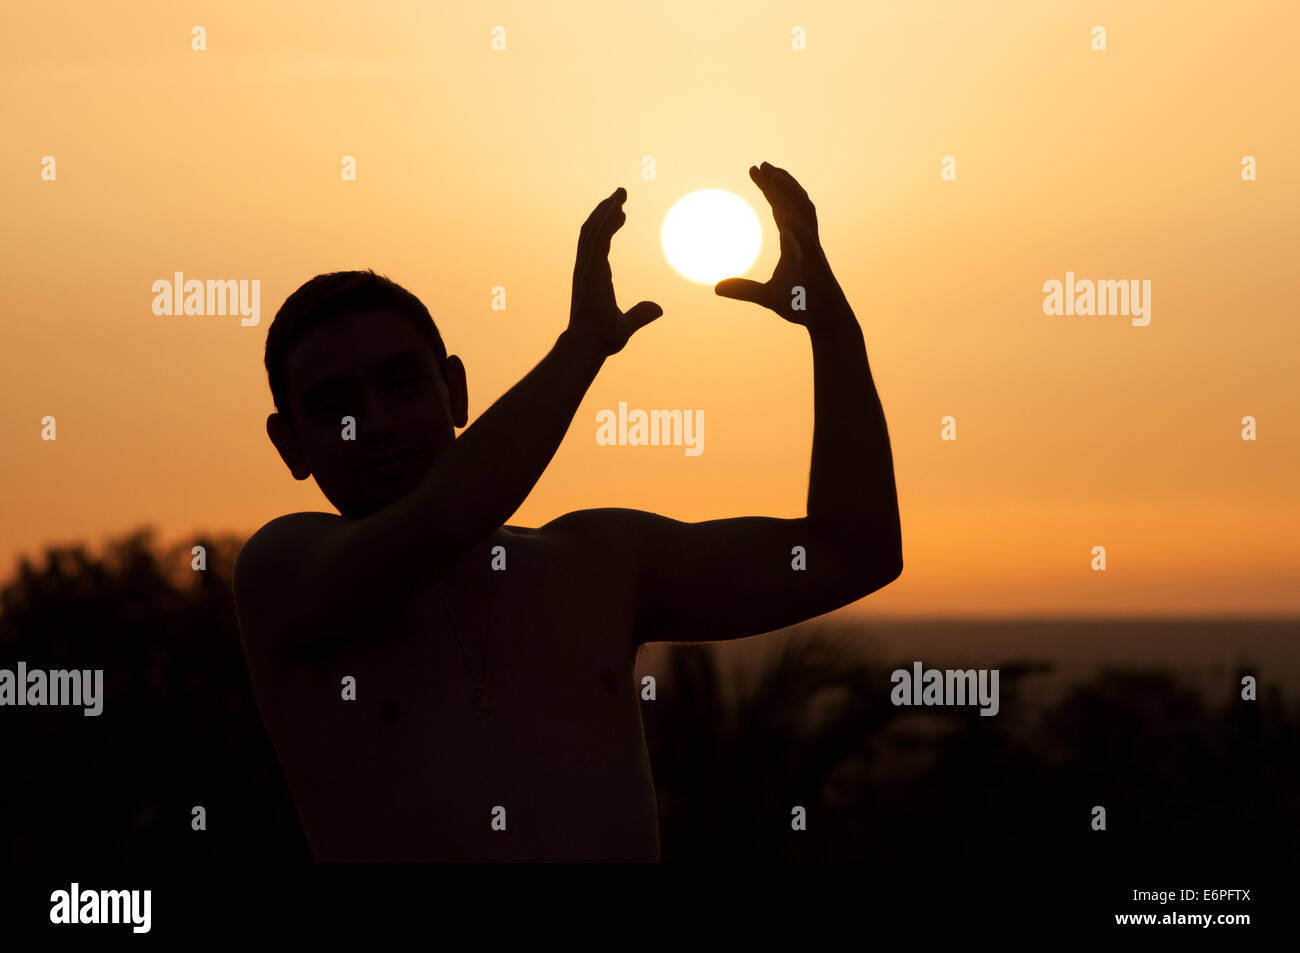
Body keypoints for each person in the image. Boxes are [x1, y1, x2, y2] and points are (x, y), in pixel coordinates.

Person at [231, 162, 902, 861]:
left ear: (457, 393)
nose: (373, 423)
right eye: (334, 405)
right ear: (290, 444)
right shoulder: (283, 572)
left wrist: (833, 328)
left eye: (401, 385)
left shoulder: (596, 563)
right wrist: (582, 346)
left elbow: (853, 550)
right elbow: (445, 518)